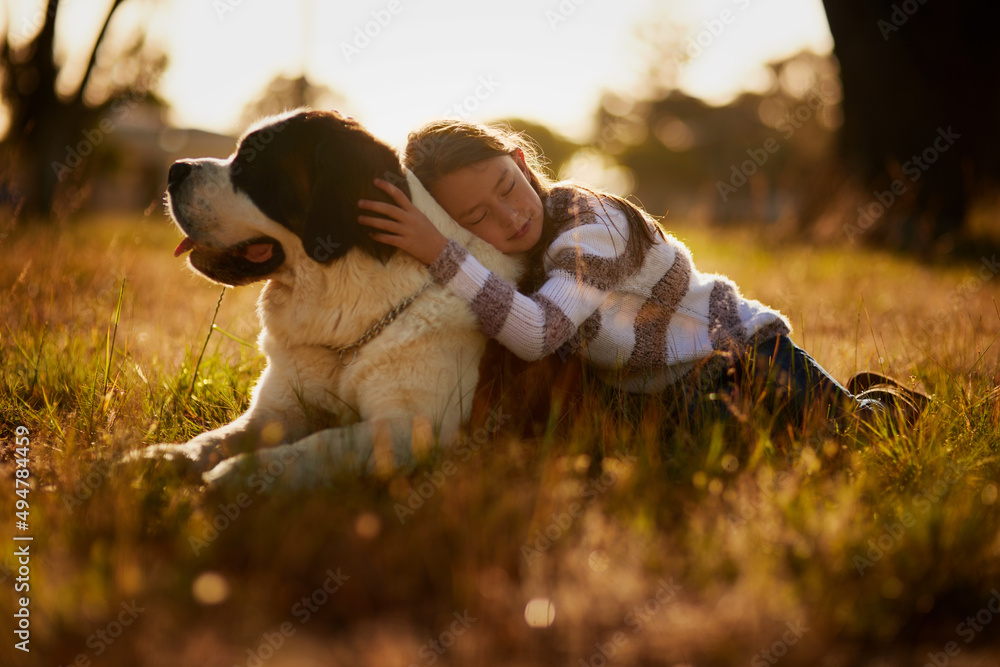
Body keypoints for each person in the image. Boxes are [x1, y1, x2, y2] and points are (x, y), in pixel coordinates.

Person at [357, 120, 926, 431]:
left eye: (507, 187)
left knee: (852, 437)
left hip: (737, 357)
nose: (508, 217)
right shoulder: (502, 258)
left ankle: (880, 403)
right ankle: (841, 393)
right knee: (749, 447)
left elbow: (538, 333)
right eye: (476, 217)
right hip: (658, 397)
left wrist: (439, 253)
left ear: (523, 163)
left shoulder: (590, 224)